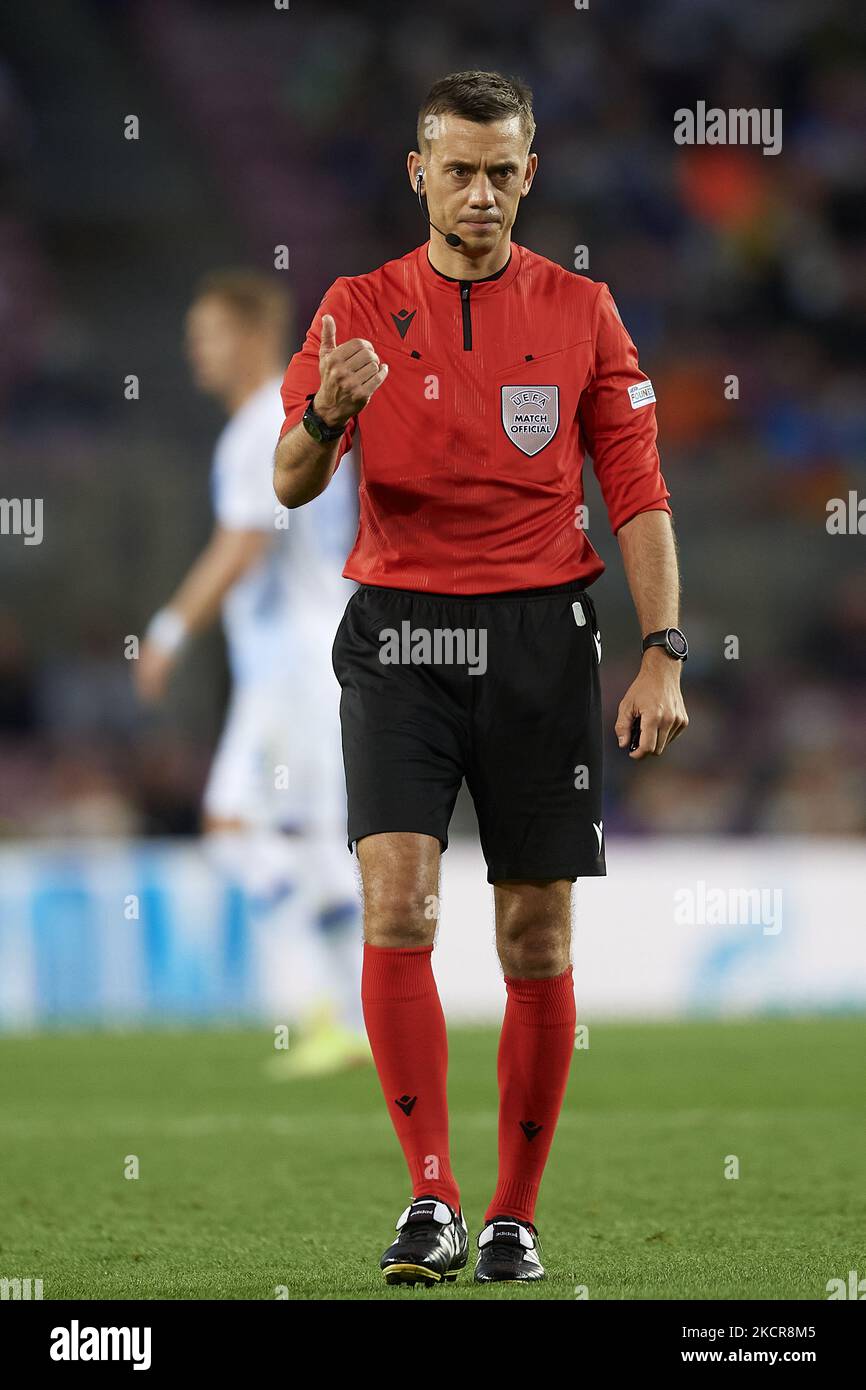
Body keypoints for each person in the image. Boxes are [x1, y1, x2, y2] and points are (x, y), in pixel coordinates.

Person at [273, 71, 689, 1284]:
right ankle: (430, 1198)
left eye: (500, 170)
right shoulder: (355, 307)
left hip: (540, 638)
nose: (479, 193)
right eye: (456, 168)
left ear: (530, 173)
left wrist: (662, 650)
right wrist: (325, 422)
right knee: (399, 901)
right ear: (418, 174)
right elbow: (291, 481)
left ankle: (512, 1213)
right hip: (400, 634)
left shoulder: (583, 312)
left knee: (534, 933)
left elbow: (639, 493)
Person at [136, 270, 368, 1076]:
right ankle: (348, 1015)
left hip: (296, 663)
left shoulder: (259, 427)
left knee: (245, 831)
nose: (194, 351)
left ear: (248, 336)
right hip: (314, 655)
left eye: (206, 334)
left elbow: (244, 543)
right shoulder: (290, 413)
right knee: (283, 836)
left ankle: (334, 1011)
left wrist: (168, 630)